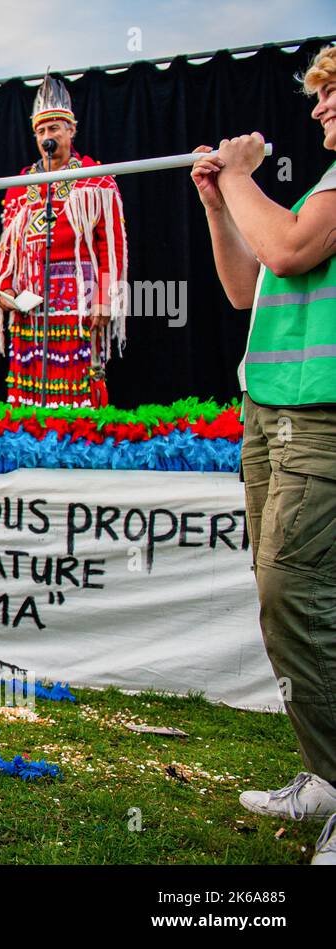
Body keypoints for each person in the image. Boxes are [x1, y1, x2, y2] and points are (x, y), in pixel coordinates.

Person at [190, 43, 336, 866]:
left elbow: (286, 250)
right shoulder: (318, 186)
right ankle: (325, 771)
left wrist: (241, 172)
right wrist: (220, 204)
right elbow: (249, 286)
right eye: (316, 96)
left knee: (295, 596)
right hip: (270, 412)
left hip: (321, 420)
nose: (317, 108)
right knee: (294, 597)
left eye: (331, 94)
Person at [0, 74, 129, 408]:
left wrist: (105, 298)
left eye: (54, 128)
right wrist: (6, 288)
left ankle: (79, 443)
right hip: (31, 297)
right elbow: (8, 246)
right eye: (41, 131)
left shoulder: (95, 179)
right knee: (30, 380)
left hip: (78, 295)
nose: (47, 136)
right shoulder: (20, 185)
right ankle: (34, 440)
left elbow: (112, 247)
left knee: (81, 379)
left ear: (71, 130)